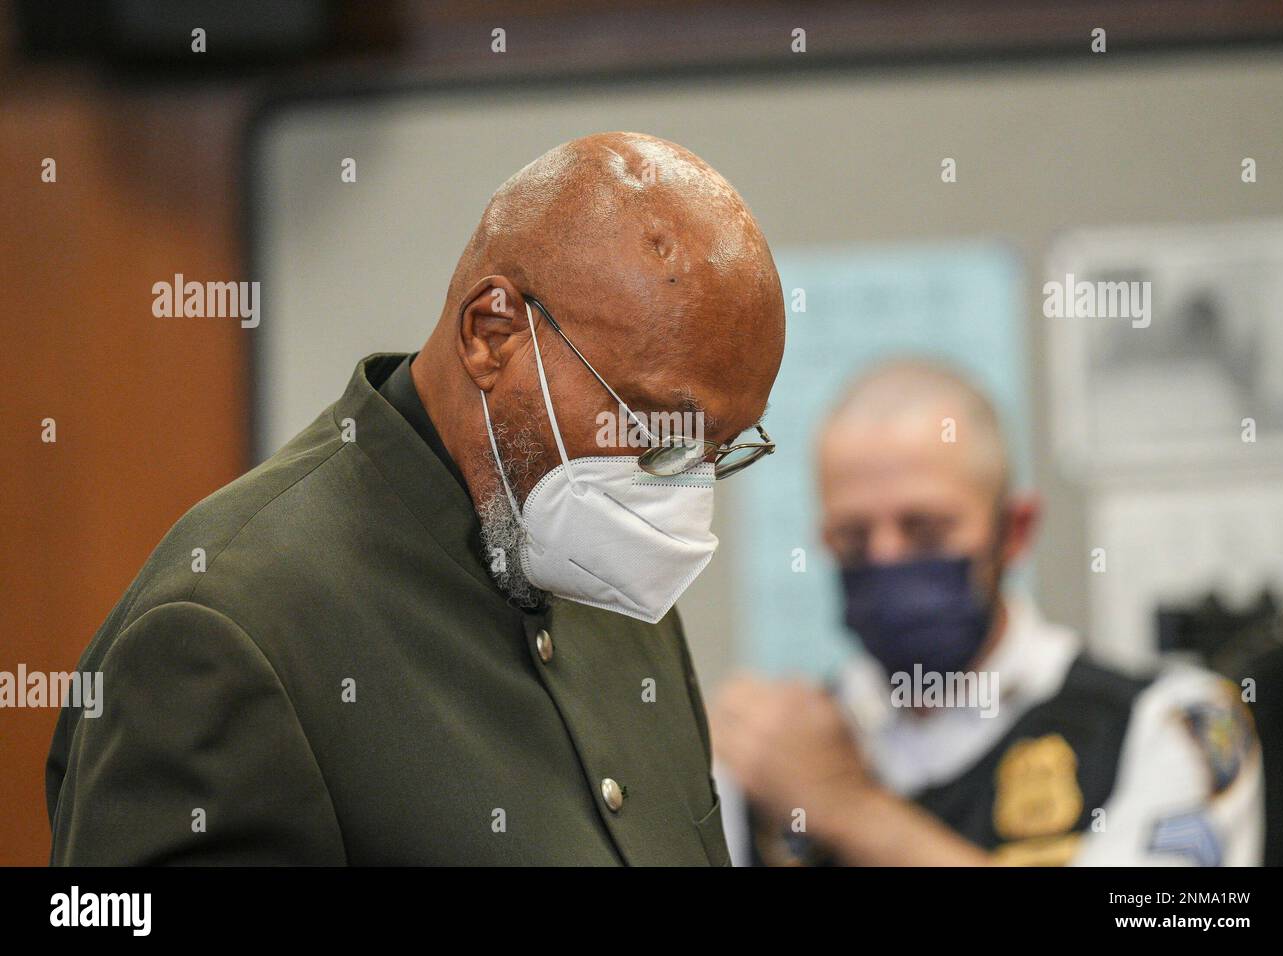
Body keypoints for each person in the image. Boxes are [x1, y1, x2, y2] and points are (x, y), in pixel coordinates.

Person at [46, 132, 785, 865]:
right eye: (659, 427)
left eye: (722, 446)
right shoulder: (224, 631)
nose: (685, 483)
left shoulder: (609, 571)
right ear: (492, 334)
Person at [713, 359, 1262, 866]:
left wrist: (852, 812)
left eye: (926, 530)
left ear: (1014, 531)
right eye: (853, 538)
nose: (886, 560)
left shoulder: (1163, 725)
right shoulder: (776, 753)